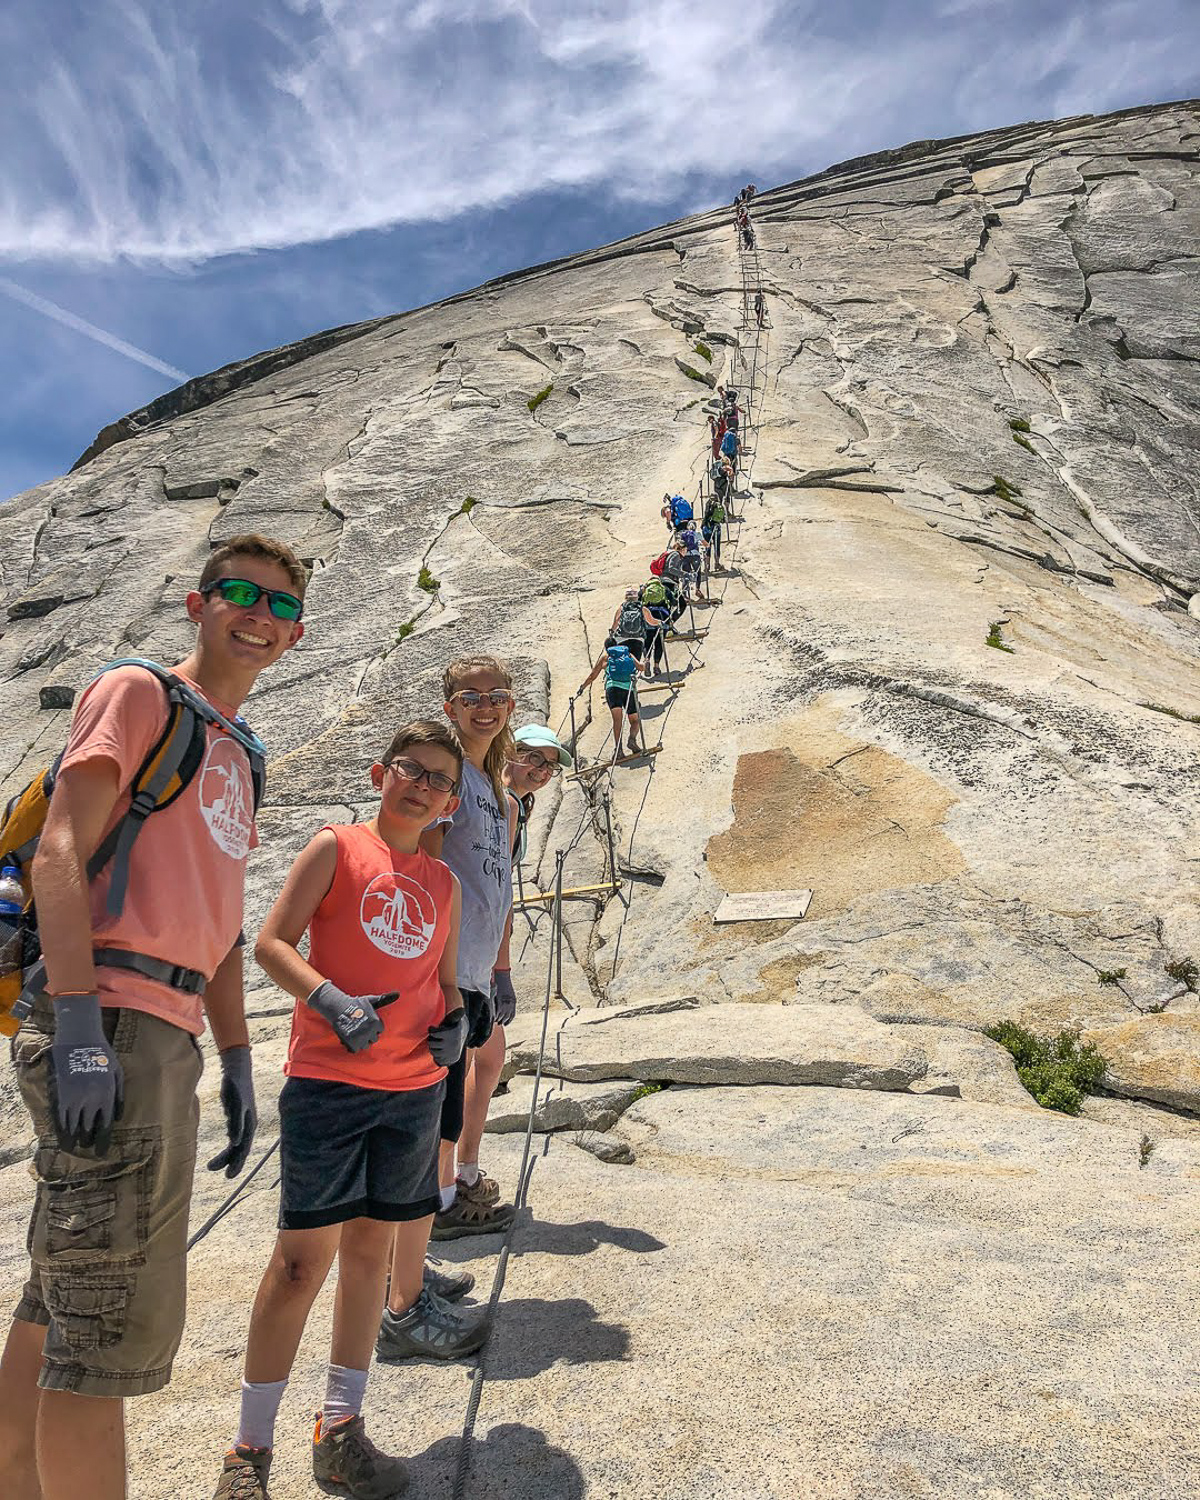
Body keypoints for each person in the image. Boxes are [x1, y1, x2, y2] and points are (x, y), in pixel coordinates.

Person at [0, 534, 306, 1500]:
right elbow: (59, 851)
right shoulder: (140, 695)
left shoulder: (240, 750)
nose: (260, 616)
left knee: (64, 1294)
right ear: (197, 602)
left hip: (164, 1030)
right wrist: (82, 1025)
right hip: (113, 1022)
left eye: (282, 606)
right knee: (108, 1328)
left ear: (296, 635)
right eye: (242, 595)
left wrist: (237, 1054)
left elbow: (216, 920)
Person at [212, 721, 477, 1500]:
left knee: (371, 1254)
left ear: (449, 806)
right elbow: (271, 943)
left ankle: (340, 1432)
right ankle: (248, 1452)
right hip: (330, 1085)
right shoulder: (335, 847)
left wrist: (458, 1019)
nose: (422, 786)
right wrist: (327, 997)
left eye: (438, 781)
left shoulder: (444, 884)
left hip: (411, 1091)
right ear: (379, 773)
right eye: (411, 769)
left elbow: (447, 980)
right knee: (299, 1264)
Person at [407, 656, 518, 1250]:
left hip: (473, 963)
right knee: (435, 1094)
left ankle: (443, 1199)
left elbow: (498, 888)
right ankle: (435, 1206)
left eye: (496, 695)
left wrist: (499, 970)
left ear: (510, 708)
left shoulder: (500, 796)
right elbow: (423, 867)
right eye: (470, 697)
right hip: (442, 965)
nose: (485, 705)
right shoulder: (450, 779)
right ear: (449, 708)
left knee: (451, 1090)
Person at [580, 638, 644, 760]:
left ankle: (618, 750)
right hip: (628, 689)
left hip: (613, 689)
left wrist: (582, 687)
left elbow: (593, 676)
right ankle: (632, 739)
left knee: (617, 721)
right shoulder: (627, 654)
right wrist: (646, 663)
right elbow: (641, 667)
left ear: (606, 647)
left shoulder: (606, 657)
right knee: (635, 720)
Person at [611, 588, 658, 679]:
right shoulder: (642, 608)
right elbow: (651, 621)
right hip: (638, 638)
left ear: (626, 597)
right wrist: (660, 623)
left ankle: (625, 681)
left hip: (622, 639)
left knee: (624, 661)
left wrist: (611, 633)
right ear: (637, 597)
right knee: (635, 662)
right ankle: (633, 680)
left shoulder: (621, 608)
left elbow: (616, 623)